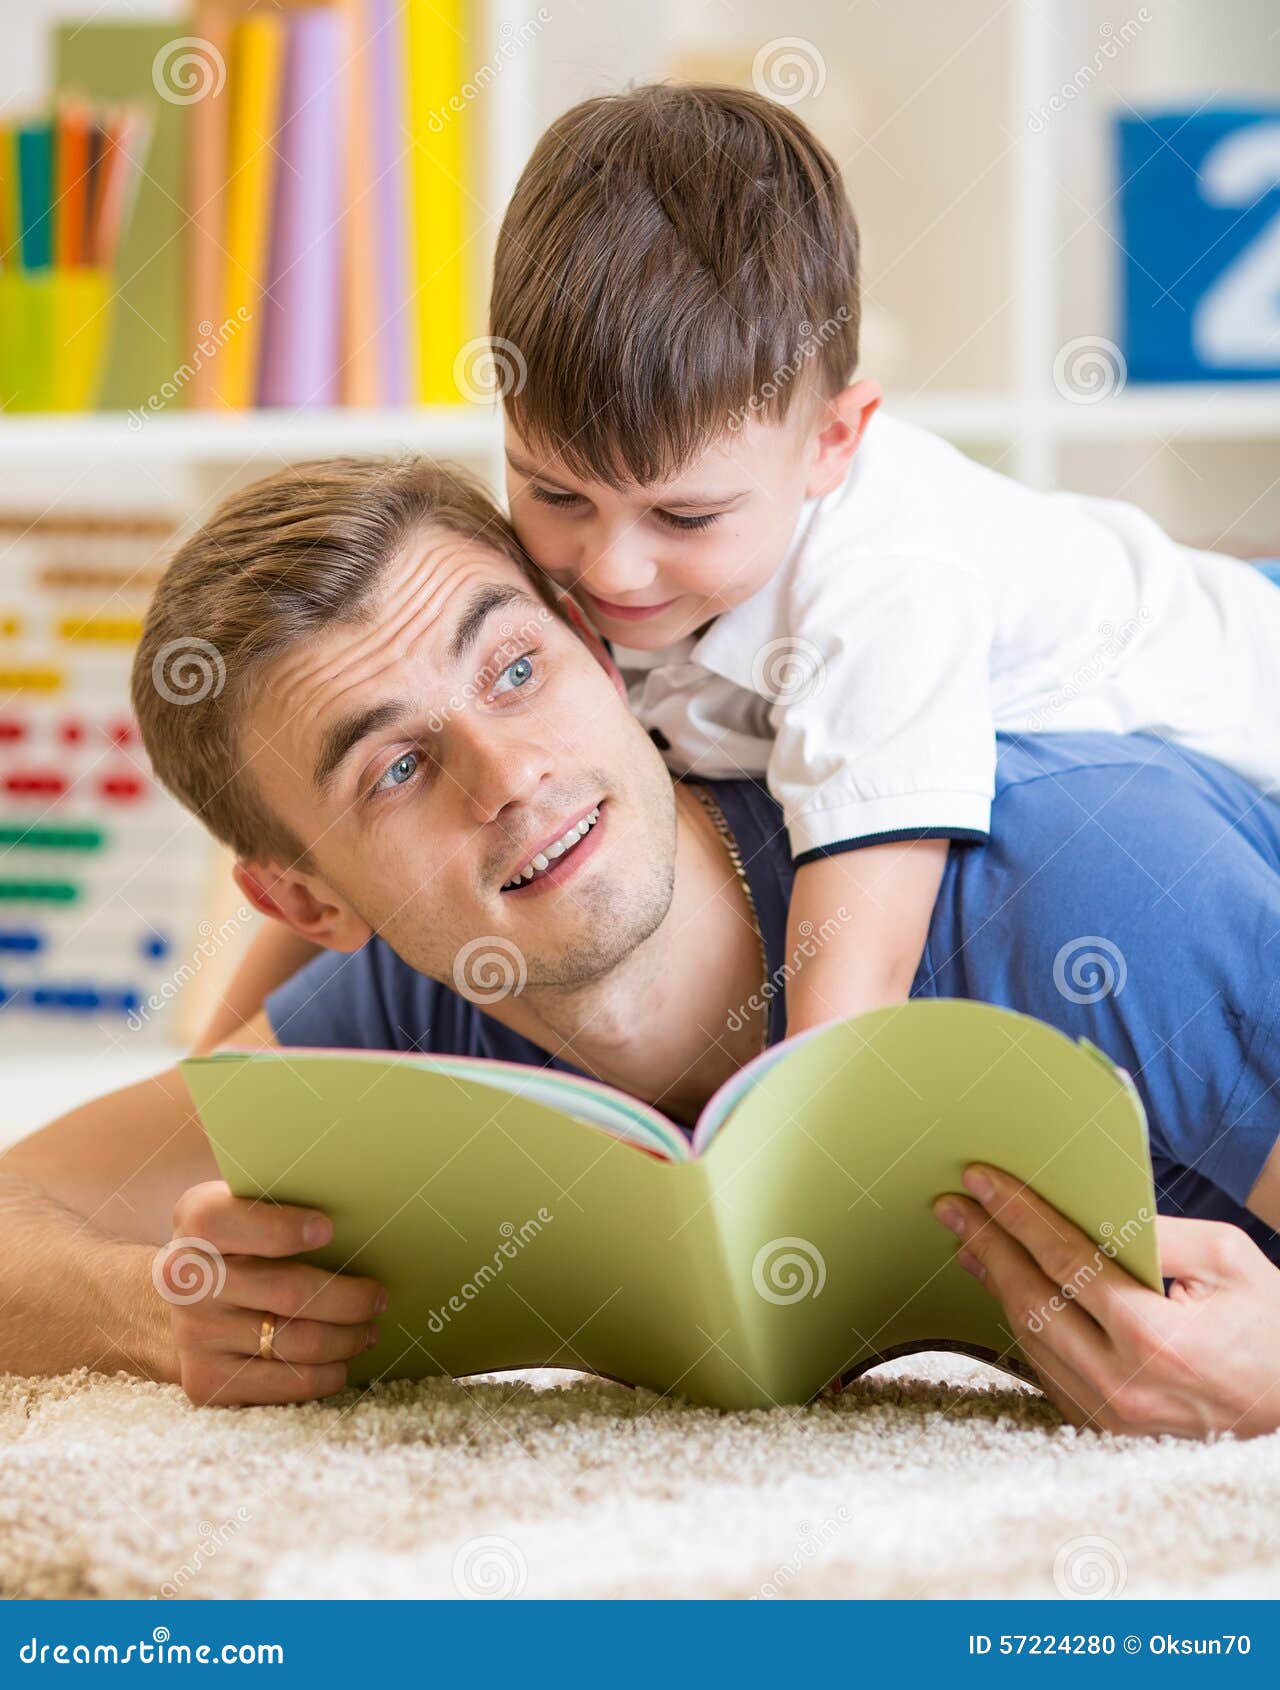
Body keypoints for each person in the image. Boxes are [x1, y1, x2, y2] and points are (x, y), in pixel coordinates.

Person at [2, 457, 1279, 1440]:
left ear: (599, 655)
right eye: (396, 766)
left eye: (512, 670)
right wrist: (149, 1311)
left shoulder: (1096, 882)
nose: (511, 777)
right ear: (304, 903)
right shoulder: (419, 1007)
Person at [487, 82, 1280, 1042]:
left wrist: (788, 1144)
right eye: (557, 494)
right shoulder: (594, 554)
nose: (610, 571)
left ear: (834, 438)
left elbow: (861, 948)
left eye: (687, 517)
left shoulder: (883, 582)